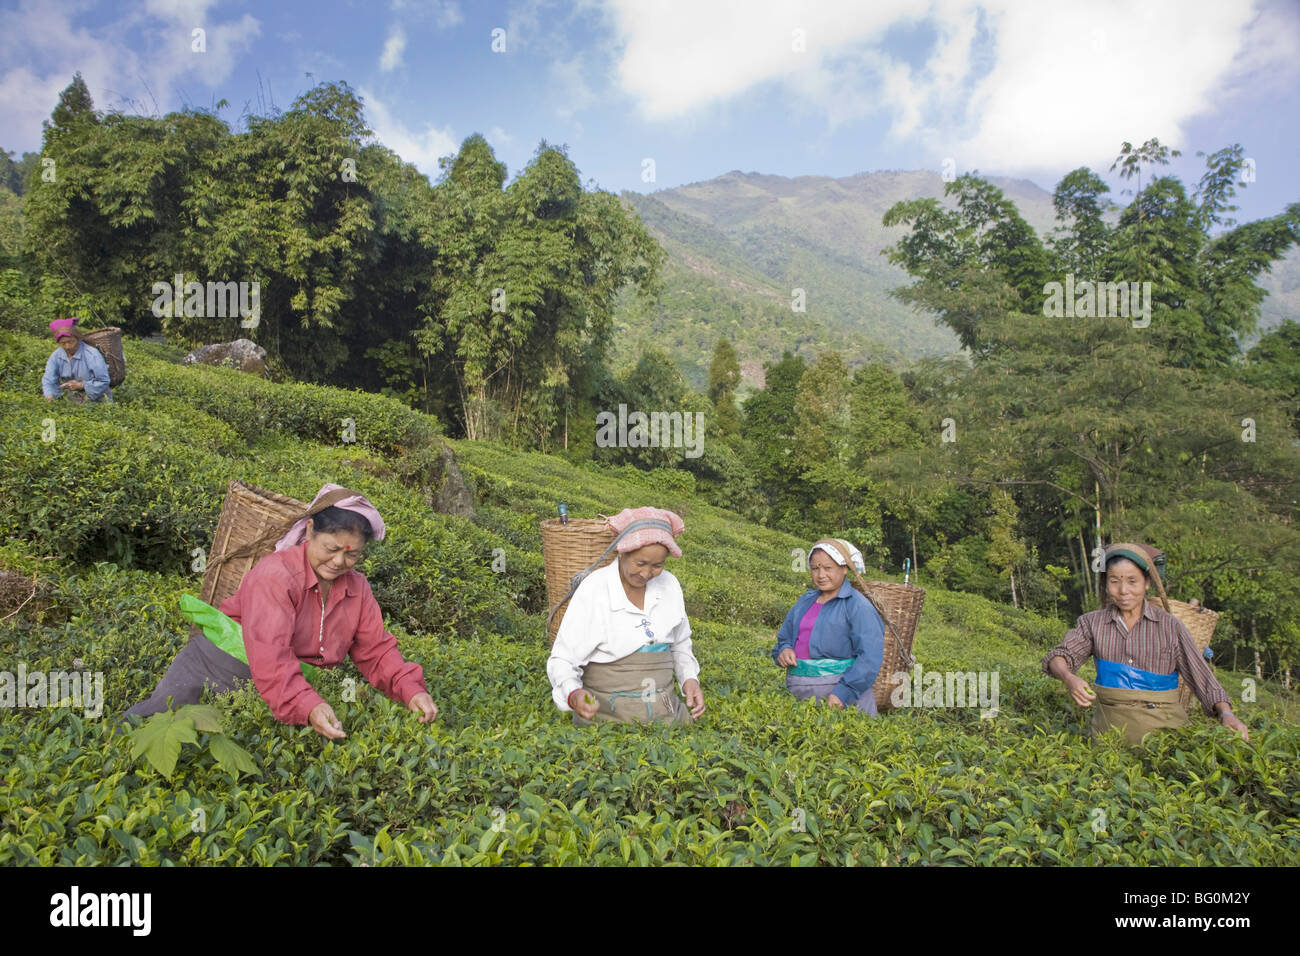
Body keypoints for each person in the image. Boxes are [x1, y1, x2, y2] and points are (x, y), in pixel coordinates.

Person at [123, 484, 438, 739]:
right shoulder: (277, 575)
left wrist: (410, 690)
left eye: (352, 555)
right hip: (214, 670)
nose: (339, 562)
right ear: (311, 529)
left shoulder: (357, 588)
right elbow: (271, 654)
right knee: (153, 733)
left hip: (279, 688)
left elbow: (377, 650)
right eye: (331, 549)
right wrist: (307, 704)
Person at [1043, 542, 1248, 745]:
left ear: (1147, 583)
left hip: (1165, 744)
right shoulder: (1092, 623)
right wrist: (1069, 678)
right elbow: (1060, 656)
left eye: (1132, 581)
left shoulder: (1170, 626)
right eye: (1115, 581)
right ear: (1106, 583)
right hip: (1109, 743)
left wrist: (1226, 714)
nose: (1123, 590)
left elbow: (1202, 678)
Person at [547, 507, 705, 725]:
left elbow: (680, 643)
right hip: (606, 722)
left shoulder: (670, 585)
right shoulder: (595, 588)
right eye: (640, 563)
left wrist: (689, 679)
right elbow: (563, 658)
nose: (647, 573)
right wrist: (573, 694)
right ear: (622, 552)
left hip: (666, 719)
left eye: (657, 566)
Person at [772, 538, 886, 714]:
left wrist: (843, 692)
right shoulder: (804, 601)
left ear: (844, 568)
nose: (820, 575)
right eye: (815, 568)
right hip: (799, 693)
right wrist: (784, 650)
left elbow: (869, 657)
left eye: (828, 568)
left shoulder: (857, 606)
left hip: (839, 695)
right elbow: (784, 638)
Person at [41, 318, 112, 403]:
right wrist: (50, 395)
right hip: (73, 402)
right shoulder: (56, 356)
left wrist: (81, 385)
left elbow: (103, 381)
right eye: (63, 343)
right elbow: (49, 379)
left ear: (77, 338)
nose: (67, 346)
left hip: (99, 401)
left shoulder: (91, 354)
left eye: (70, 342)